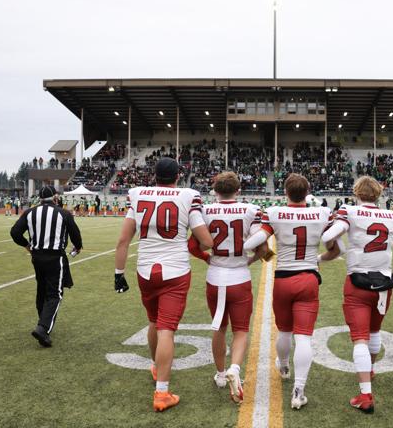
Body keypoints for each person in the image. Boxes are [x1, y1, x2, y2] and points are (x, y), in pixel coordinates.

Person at [113, 158, 214, 412]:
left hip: (145, 270)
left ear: (154, 175)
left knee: (153, 322)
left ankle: (157, 368)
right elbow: (206, 240)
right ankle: (162, 393)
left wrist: (118, 273)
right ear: (178, 176)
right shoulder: (188, 196)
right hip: (175, 271)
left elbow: (123, 240)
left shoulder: (137, 194)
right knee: (167, 329)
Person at [321, 176, 393, 414]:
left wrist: (343, 249)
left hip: (358, 282)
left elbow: (327, 237)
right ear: (378, 194)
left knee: (359, 338)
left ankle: (365, 395)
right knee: (375, 331)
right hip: (384, 284)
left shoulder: (350, 212)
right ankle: (371, 369)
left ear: (357, 193)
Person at [243, 173, 338, 410]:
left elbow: (251, 244)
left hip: (284, 277)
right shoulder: (323, 213)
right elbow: (338, 250)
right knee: (304, 335)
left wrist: (266, 256)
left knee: (284, 330)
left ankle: (284, 367)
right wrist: (318, 258)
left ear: (285, 192)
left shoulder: (274, 213)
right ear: (307, 192)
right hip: (308, 277)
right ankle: (299, 391)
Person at [187, 172, 269, 404]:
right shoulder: (251, 210)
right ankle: (235, 367)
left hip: (215, 277)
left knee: (219, 328)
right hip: (240, 277)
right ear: (238, 189)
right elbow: (262, 248)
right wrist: (250, 261)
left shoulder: (204, 211)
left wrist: (207, 259)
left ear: (214, 190)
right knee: (241, 330)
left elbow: (192, 246)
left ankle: (221, 375)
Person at [10, 186, 82, 348]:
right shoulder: (63, 213)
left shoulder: (30, 212)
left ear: (40, 198)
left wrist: (27, 245)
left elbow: (15, 232)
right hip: (55, 257)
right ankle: (43, 328)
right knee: (55, 293)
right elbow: (75, 233)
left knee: (41, 289)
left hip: (37, 256)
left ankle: (43, 320)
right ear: (55, 197)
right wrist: (78, 246)